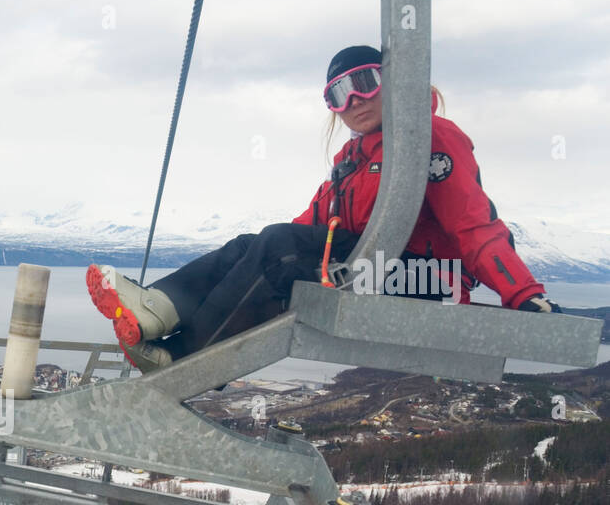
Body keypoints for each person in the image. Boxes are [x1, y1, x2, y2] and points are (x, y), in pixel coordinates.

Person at [87, 45, 560, 373]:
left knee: (275, 248)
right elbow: (309, 228)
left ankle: (183, 356)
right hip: (371, 269)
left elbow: (474, 223)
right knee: (254, 245)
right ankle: (157, 309)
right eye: (338, 94)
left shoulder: (429, 139)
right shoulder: (351, 160)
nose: (352, 101)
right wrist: (256, 255)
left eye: (364, 83)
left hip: (427, 281)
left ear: (393, 81)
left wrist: (523, 294)